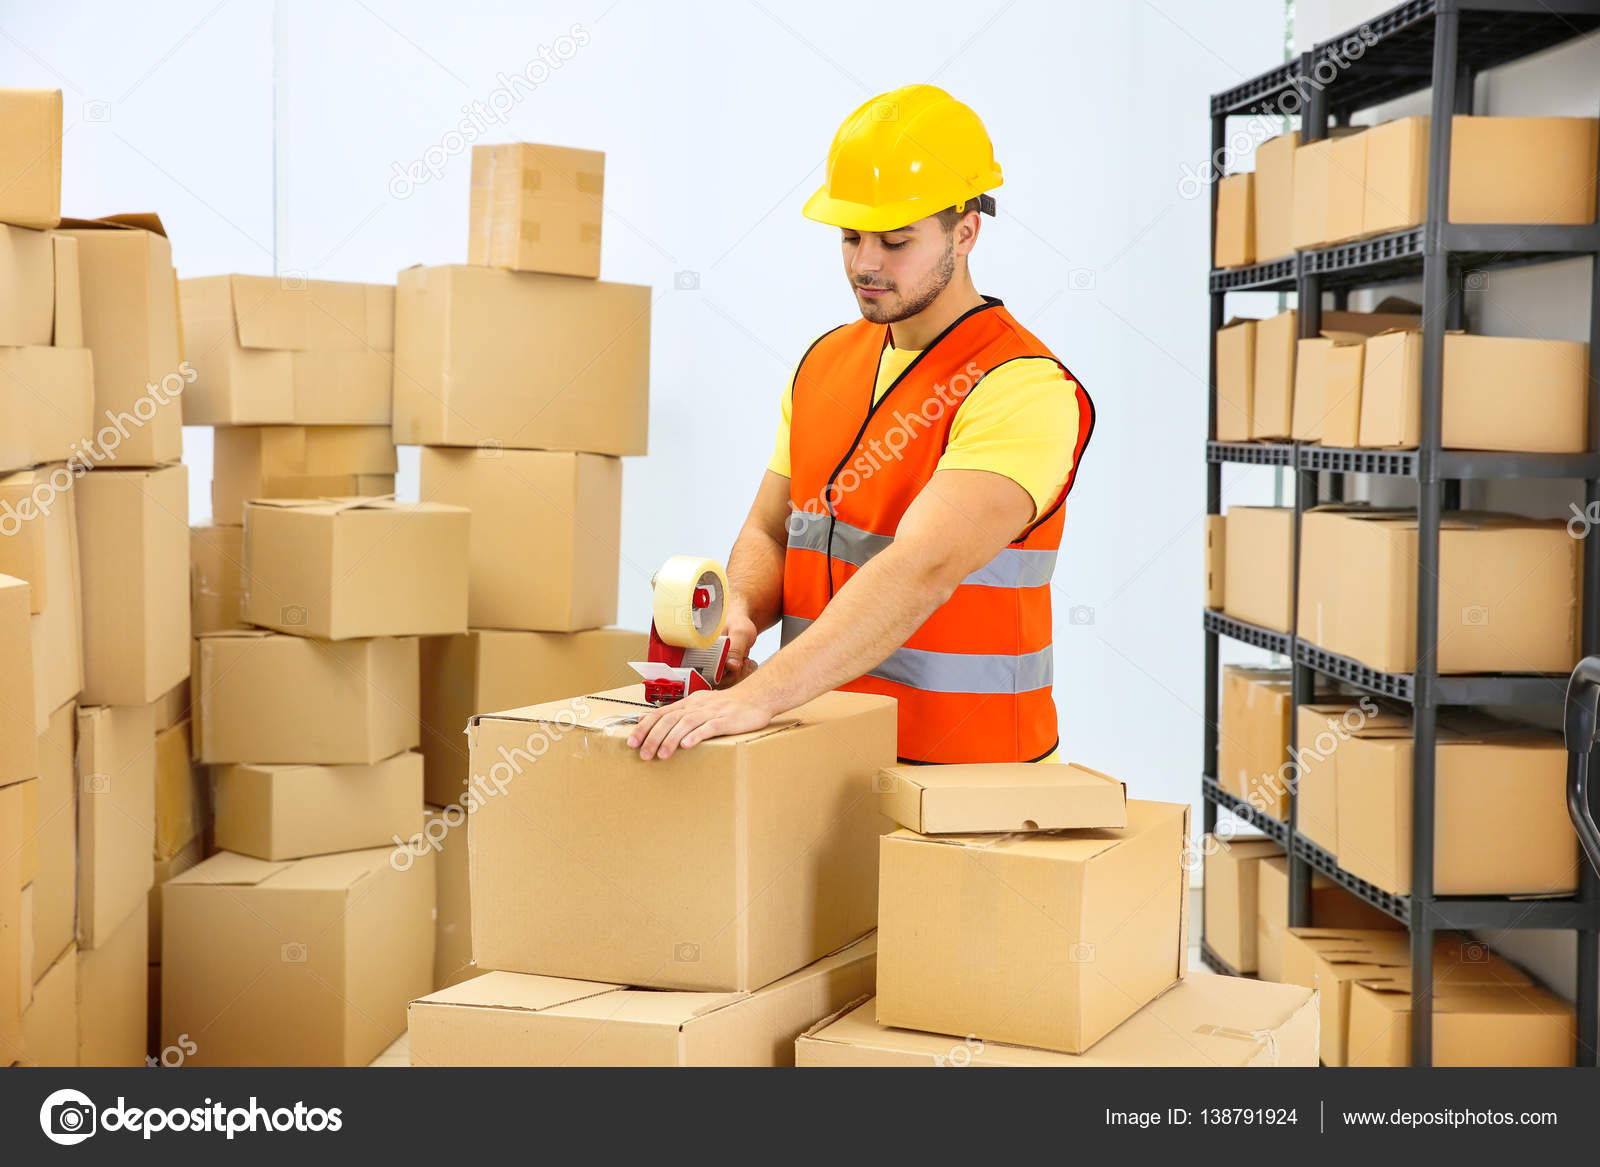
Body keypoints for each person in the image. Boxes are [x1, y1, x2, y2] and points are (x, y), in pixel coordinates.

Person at [628, 83, 1093, 764]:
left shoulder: (1021, 386)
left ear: (966, 232)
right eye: (850, 237)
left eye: (895, 240)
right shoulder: (825, 363)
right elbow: (772, 529)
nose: (864, 264)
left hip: (971, 776)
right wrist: (741, 613)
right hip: (822, 753)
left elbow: (921, 568)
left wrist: (759, 695)